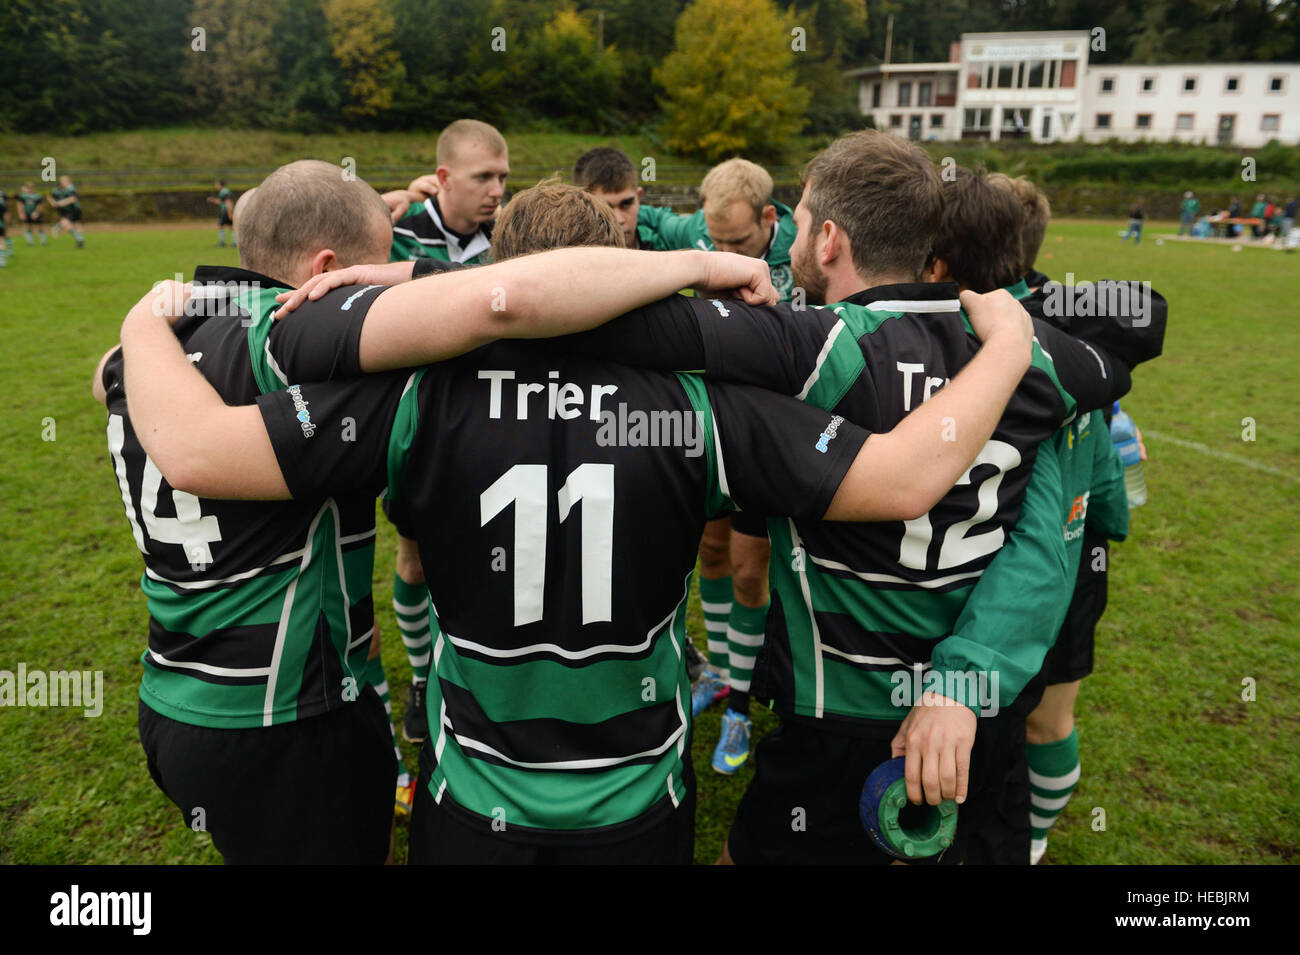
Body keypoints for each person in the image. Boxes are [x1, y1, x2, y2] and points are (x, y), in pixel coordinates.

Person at [115, 180, 1042, 864]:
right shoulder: (698, 407)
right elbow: (903, 476)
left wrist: (140, 341)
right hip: (632, 797)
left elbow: (199, 448)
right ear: (615, 268)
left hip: (473, 794)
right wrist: (1008, 347)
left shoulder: (408, 398)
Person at [95, 160, 782, 863]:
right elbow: (507, 301)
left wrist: (144, 324)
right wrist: (697, 268)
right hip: (297, 713)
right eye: (366, 270)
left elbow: (112, 381)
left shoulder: (157, 355)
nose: (367, 287)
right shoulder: (291, 343)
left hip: (186, 693)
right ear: (321, 270)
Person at [552, 130, 1164, 864]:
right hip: (973, 713)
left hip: (843, 711)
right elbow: (1123, 348)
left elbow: (598, 317)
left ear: (831, 240)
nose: (794, 238)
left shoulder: (810, 346)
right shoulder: (1036, 356)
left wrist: (707, 270)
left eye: (802, 223)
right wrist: (1025, 329)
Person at [635, 157, 800, 770]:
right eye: (714, 240)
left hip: (767, 433)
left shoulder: (802, 253)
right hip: (704, 424)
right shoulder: (695, 234)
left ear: (768, 218)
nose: (721, 253)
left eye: (736, 243)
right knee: (709, 554)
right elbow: (638, 215)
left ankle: (740, 704)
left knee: (750, 571)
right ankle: (720, 678)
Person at [389, 119, 507, 265]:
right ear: (444, 178)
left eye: (502, 177)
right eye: (483, 177)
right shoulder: (393, 228)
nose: (498, 192)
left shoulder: (509, 239)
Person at [573, 147, 653, 249]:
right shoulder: (562, 253)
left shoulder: (666, 240)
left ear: (639, 196)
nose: (619, 220)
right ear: (579, 206)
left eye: (626, 204)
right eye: (604, 208)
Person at [49, 175, 85, 248]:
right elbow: (51, 199)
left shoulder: (71, 188)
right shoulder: (55, 191)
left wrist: (60, 203)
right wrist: (53, 203)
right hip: (66, 211)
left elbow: (73, 199)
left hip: (74, 210)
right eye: (64, 182)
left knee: (74, 225)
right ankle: (80, 240)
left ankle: (56, 228)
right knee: (66, 223)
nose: (66, 183)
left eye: (67, 182)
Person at [207, 180, 235, 247]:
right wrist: (213, 200)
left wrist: (229, 212)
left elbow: (228, 202)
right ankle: (235, 243)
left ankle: (222, 242)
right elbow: (222, 201)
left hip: (226, 211)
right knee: (231, 227)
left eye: (217, 184)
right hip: (227, 210)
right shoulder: (224, 191)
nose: (216, 186)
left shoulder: (224, 191)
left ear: (220, 184)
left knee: (220, 225)